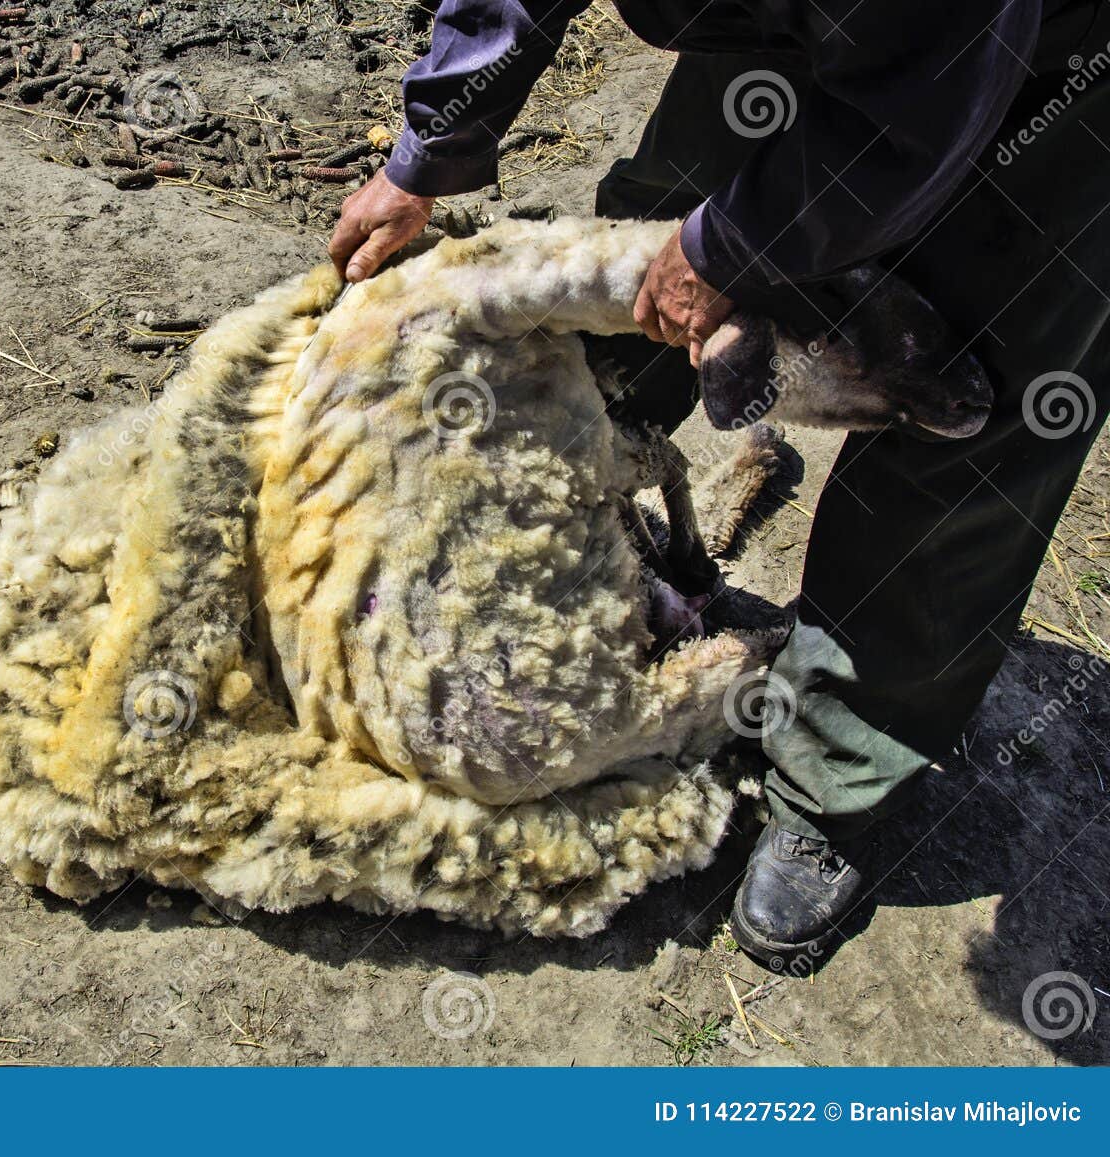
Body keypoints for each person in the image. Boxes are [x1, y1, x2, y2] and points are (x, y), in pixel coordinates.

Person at [330, 0, 1110, 970]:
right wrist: (432, 147)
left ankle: (840, 767)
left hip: (1049, 56)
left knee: (987, 395)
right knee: (644, 249)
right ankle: (585, 549)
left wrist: (735, 250)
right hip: (784, 24)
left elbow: (927, 81)